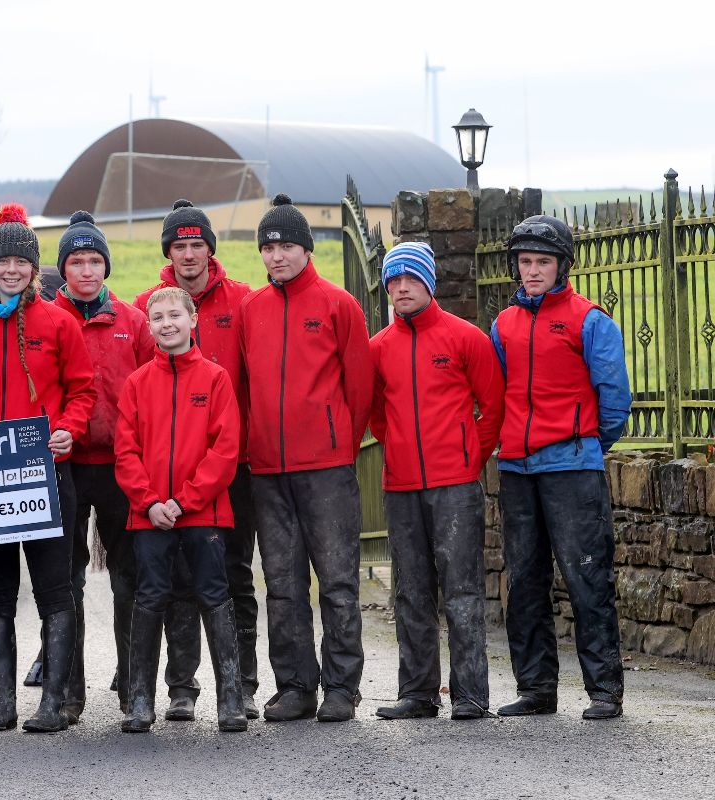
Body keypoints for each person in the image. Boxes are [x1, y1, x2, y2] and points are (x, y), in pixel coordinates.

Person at [0, 203, 96, 733]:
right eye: (3, 262)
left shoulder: (59, 323)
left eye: (21, 262)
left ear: (34, 268)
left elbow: (83, 390)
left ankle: (53, 703)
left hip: (47, 477)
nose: (12, 270)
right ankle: (4, 702)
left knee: (55, 589)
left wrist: (69, 429)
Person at [490, 215, 631, 720]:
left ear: (561, 266)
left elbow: (614, 401)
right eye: (525, 262)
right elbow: (497, 393)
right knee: (524, 581)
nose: (532, 271)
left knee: (586, 577)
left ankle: (604, 691)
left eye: (542, 262)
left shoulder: (590, 321)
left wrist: (584, 443)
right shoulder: (502, 325)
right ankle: (536, 689)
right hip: (517, 469)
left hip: (572, 467)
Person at [238, 194, 373, 722]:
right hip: (268, 471)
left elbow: (359, 388)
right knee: (283, 586)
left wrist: (338, 444)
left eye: (286, 246)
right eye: (268, 247)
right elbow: (244, 389)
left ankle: (342, 687)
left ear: (306, 249)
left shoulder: (339, 304)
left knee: (337, 582)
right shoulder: (251, 309)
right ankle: (295, 686)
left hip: (326, 470)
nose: (276, 256)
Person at [368, 242, 505, 721]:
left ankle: (471, 695)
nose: (402, 287)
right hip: (401, 487)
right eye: (394, 280)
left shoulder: (466, 337)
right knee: (411, 591)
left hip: (456, 486)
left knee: (463, 590)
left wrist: (468, 459)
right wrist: (399, 451)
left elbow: (493, 407)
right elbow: (376, 414)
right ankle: (418, 693)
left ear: (429, 284)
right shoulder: (377, 348)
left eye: (412, 279)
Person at [133, 199, 259, 720]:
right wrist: (152, 499)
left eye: (197, 244)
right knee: (170, 588)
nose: (188, 253)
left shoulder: (243, 300)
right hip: (156, 495)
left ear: (209, 249)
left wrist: (191, 496)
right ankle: (179, 688)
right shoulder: (147, 306)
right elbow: (132, 432)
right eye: (179, 245)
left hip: (225, 476)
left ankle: (241, 687)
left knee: (232, 579)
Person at [116, 287, 245, 733]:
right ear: (148, 326)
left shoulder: (215, 379)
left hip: (203, 513)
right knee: (150, 597)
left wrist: (184, 500)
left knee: (214, 594)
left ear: (193, 319)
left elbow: (225, 450)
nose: (167, 324)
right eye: (157, 318)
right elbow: (126, 452)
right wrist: (149, 502)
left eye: (175, 315)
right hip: (149, 516)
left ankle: (231, 699)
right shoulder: (137, 383)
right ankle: (139, 701)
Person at [47, 211, 155, 721]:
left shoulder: (133, 322)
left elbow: (157, 387)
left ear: (106, 266)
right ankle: (70, 693)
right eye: (76, 261)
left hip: (120, 466)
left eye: (94, 260)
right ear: (63, 268)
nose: (86, 270)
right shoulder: (45, 321)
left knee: (127, 578)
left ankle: (133, 689)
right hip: (64, 466)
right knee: (66, 579)